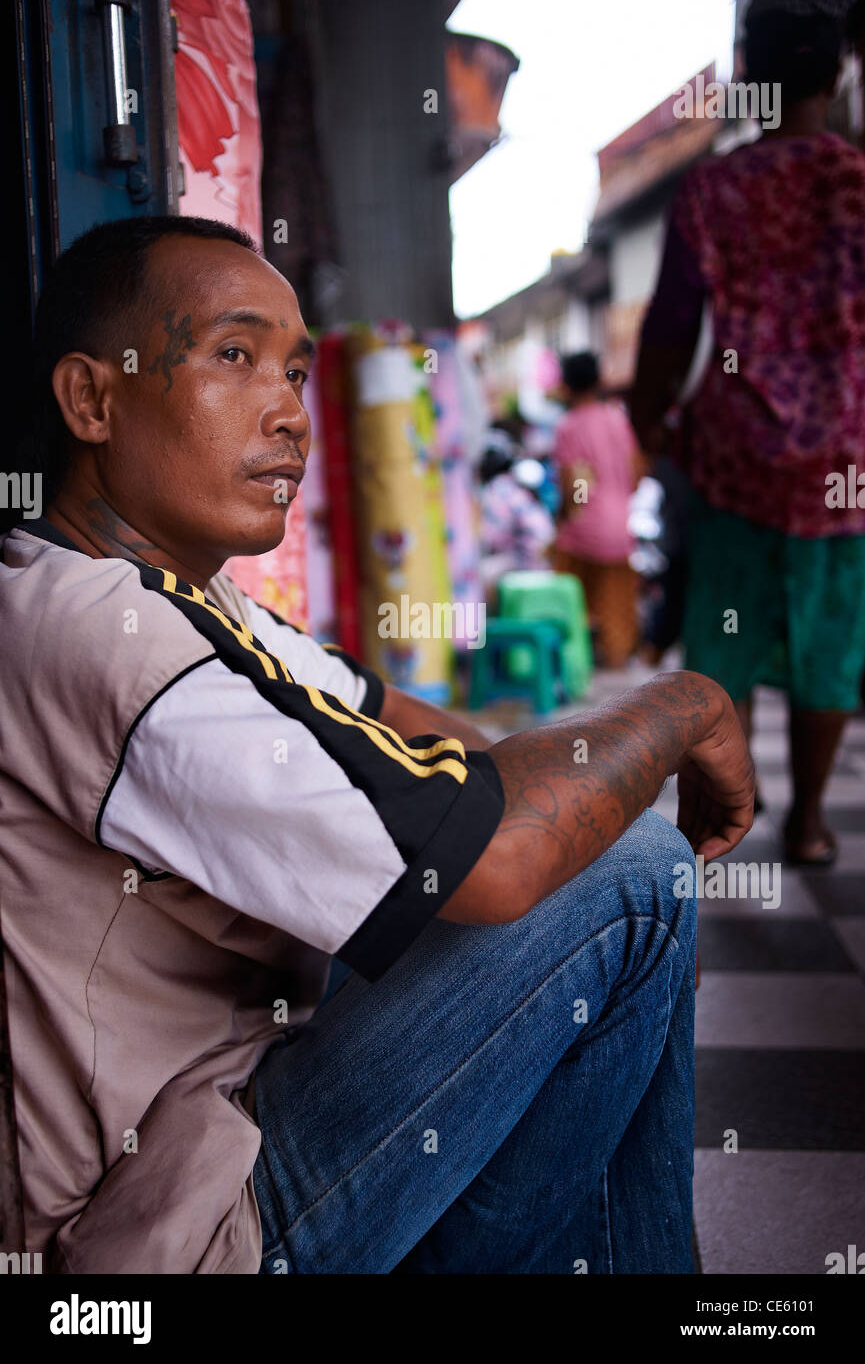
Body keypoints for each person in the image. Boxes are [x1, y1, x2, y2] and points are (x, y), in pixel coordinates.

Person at [0, 216, 753, 1275]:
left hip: (247, 1096)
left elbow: (411, 724)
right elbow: (492, 865)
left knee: (593, 868)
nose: (288, 412)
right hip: (172, 1230)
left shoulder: (177, 598)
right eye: (233, 355)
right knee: (628, 878)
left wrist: (548, 811)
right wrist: (685, 707)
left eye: (296, 370)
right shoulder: (98, 636)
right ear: (92, 399)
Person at [631, 0, 865, 865]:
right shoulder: (856, 182)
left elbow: (669, 324)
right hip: (846, 461)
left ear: (746, 71)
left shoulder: (713, 187)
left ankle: (712, 823)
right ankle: (806, 821)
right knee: (828, 641)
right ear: (835, 71)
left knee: (723, 639)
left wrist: (647, 417)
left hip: (735, 453)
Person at [552, 352, 643, 668]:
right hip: (622, 527)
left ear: (566, 385)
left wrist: (564, 518)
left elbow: (574, 485)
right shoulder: (618, 418)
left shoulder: (570, 426)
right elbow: (636, 472)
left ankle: (571, 659)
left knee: (568, 598)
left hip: (586, 531)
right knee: (617, 606)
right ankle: (617, 654)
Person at [477, 442, 555, 597]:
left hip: (527, 568)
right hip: (533, 566)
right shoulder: (533, 505)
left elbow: (489, 535)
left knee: (480, 573)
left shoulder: (509, 493)